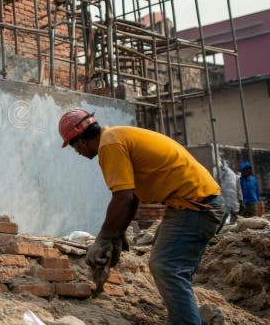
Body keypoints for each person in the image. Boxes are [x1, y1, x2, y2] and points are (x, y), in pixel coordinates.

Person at [58, 109, 225, 325]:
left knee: (166, 267)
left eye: (73, 146)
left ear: (79, 141)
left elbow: (123, 197)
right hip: (195, 204)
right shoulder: (116, 137)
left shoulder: (110, 145)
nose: (77, 152)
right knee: (172, 270)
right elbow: (133, 195)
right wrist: (117, 233)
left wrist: (103, 239)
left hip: (195, 206)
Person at [217, 157, 241, 224]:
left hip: (229, 194)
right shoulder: (229, 173)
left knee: (230, 208)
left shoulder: (230, 173)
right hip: (228, 194)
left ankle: (232, 219)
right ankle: (231, 219)